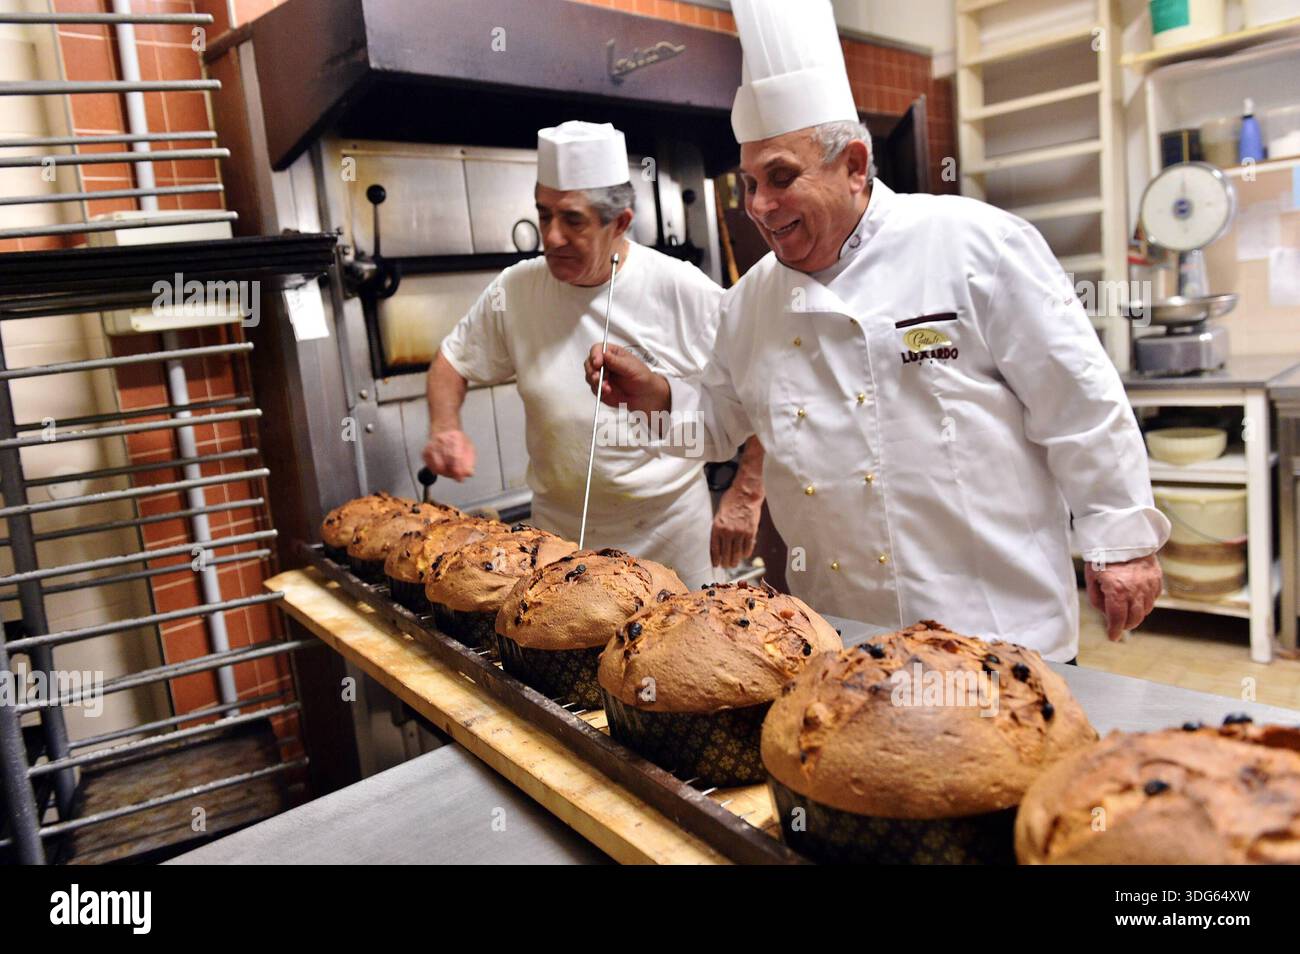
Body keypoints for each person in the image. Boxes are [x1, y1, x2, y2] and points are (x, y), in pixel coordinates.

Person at [583, 0, 1170, 661]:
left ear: (855, 164)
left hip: (999, 631)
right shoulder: (749, 303)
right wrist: (657, 396)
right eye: (748, 183)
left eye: (781, 177)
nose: (759, 207)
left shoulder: (976, 245)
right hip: (843, 643)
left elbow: (1079, 399)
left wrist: (1122, 543)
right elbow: (720, 422)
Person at [424, 120, 762, 588]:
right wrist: (446, 428)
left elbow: (766, 383)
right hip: (559, 543)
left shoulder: (679, 288)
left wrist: (746, 495)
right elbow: (452, 361)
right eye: (544, 215)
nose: (553, 236)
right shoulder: (517, 289)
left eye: (573, 220)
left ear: (620, 222)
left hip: (668, 540)